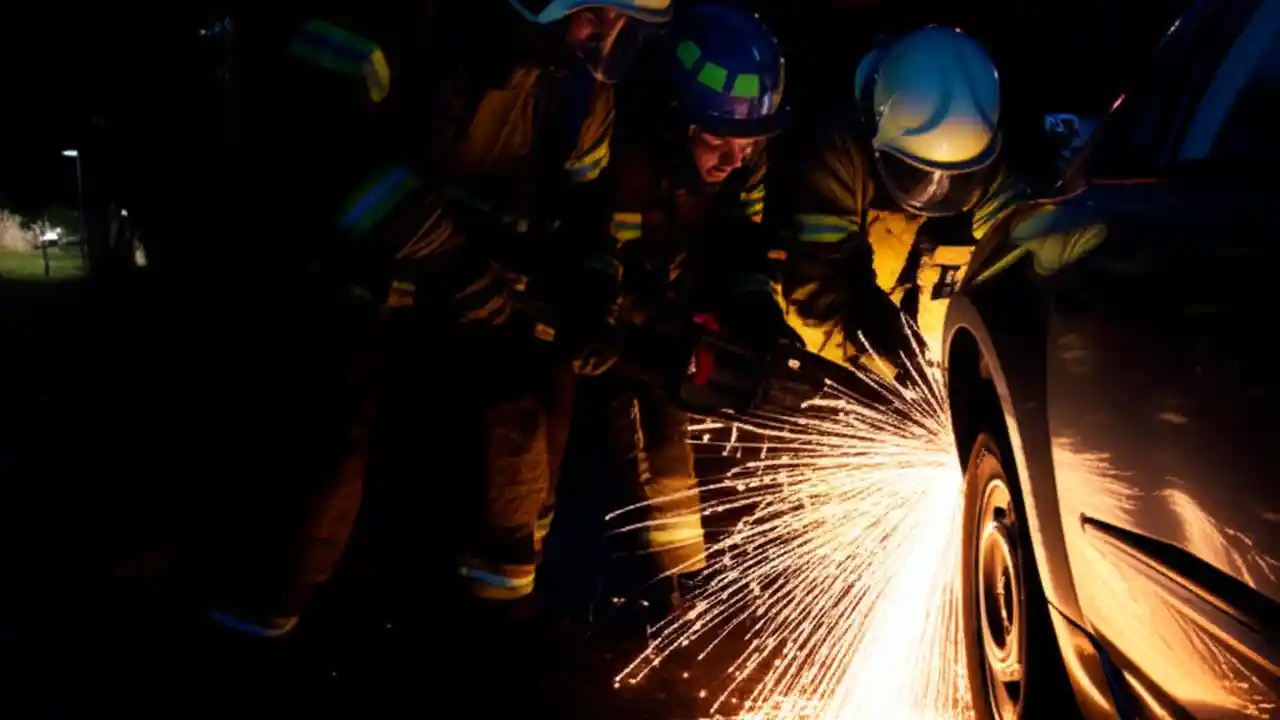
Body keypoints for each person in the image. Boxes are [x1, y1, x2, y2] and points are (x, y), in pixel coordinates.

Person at [204, 0, 674, 637]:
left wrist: (593, 289)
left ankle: (500, 622)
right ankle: (255, 620)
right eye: (595, 13)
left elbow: (587, 200)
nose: (602, 37)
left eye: (621, 26)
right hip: (335, 262)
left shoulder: (576, 83)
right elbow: (330, 156)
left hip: (475, 280)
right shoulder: (406, 21)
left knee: (531, 411)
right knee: (326, 436)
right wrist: (450, 264)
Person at [574, 2, 794, 614]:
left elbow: (740, 240)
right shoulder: (629, 153)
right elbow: (599, 266)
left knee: (672, 440)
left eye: (748, 147)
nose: (733, 161)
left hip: (666, 315)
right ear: (677, 120)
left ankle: (679, 586)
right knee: (615, 444)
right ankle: (622, 596)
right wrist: (660, 331)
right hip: (593, 322)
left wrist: (758, 315)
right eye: (717, 142)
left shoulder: (741, 158)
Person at [772, 26, 1027, 376]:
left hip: (923, 341)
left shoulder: (980, 152)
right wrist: (887, 367)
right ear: (877, 132)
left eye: (956, 179)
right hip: (844, 345)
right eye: (918, 172)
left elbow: (1015, 238)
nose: (936, 191)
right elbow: (817, 298)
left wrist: (1041, 235)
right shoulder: (836, 154)